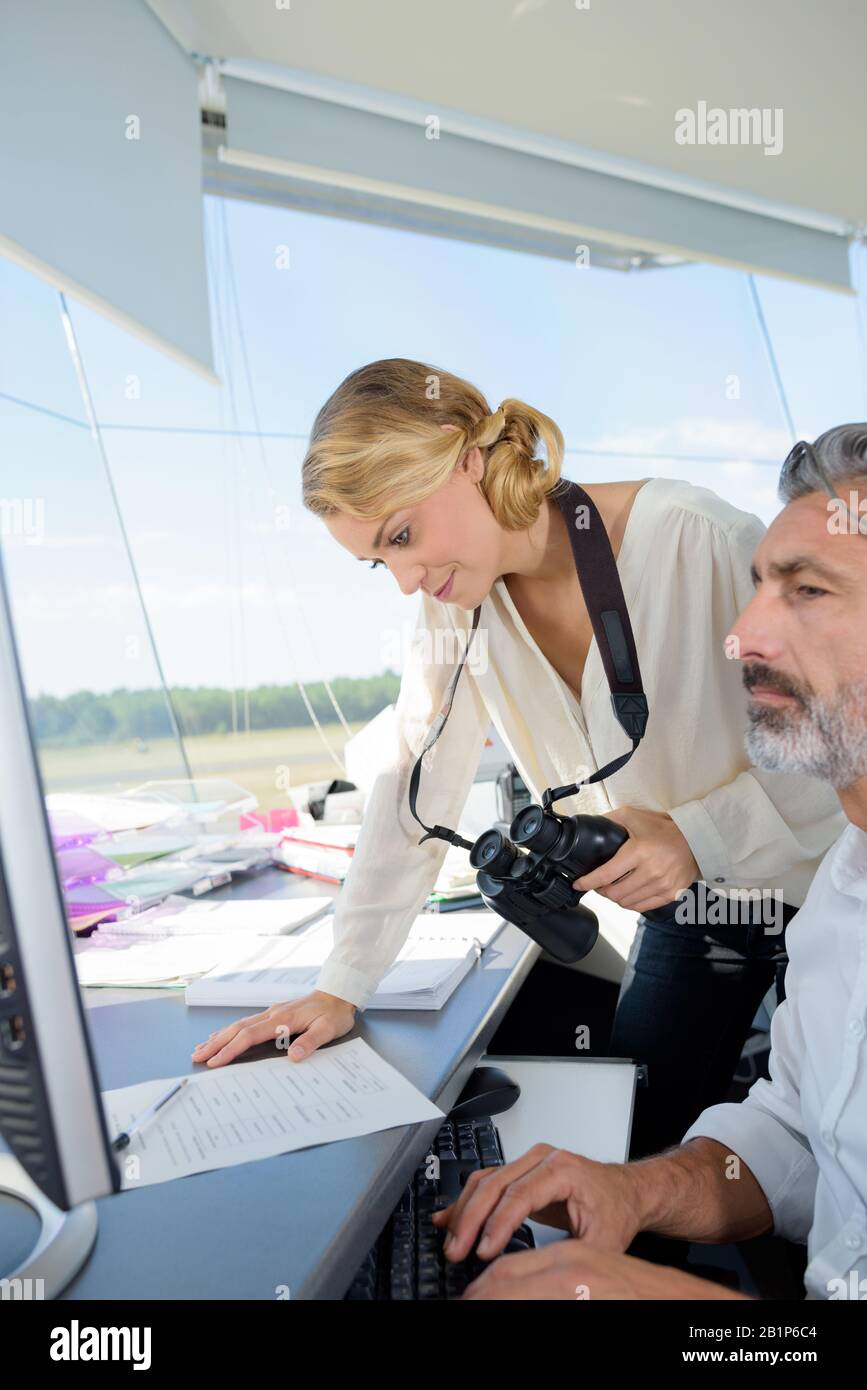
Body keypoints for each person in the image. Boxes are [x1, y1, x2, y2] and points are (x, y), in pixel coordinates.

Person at [191, 359, 842, 1158]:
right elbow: (413, 787)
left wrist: (692, 834)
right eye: (376, 561)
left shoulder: (692, 538)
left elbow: (845, 740)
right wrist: (341, 986)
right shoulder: (452, 606)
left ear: (463, 457)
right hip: (691, 914)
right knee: (625, 1132)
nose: (403, 580)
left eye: (401, 536)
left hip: (820, 887)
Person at [432, 424, 867, 1300]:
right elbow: (794, 1138)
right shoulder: (840, 898)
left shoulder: (684, 527)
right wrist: (632, 1189)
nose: (740, 636)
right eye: (756, 591)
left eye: (807, 590)